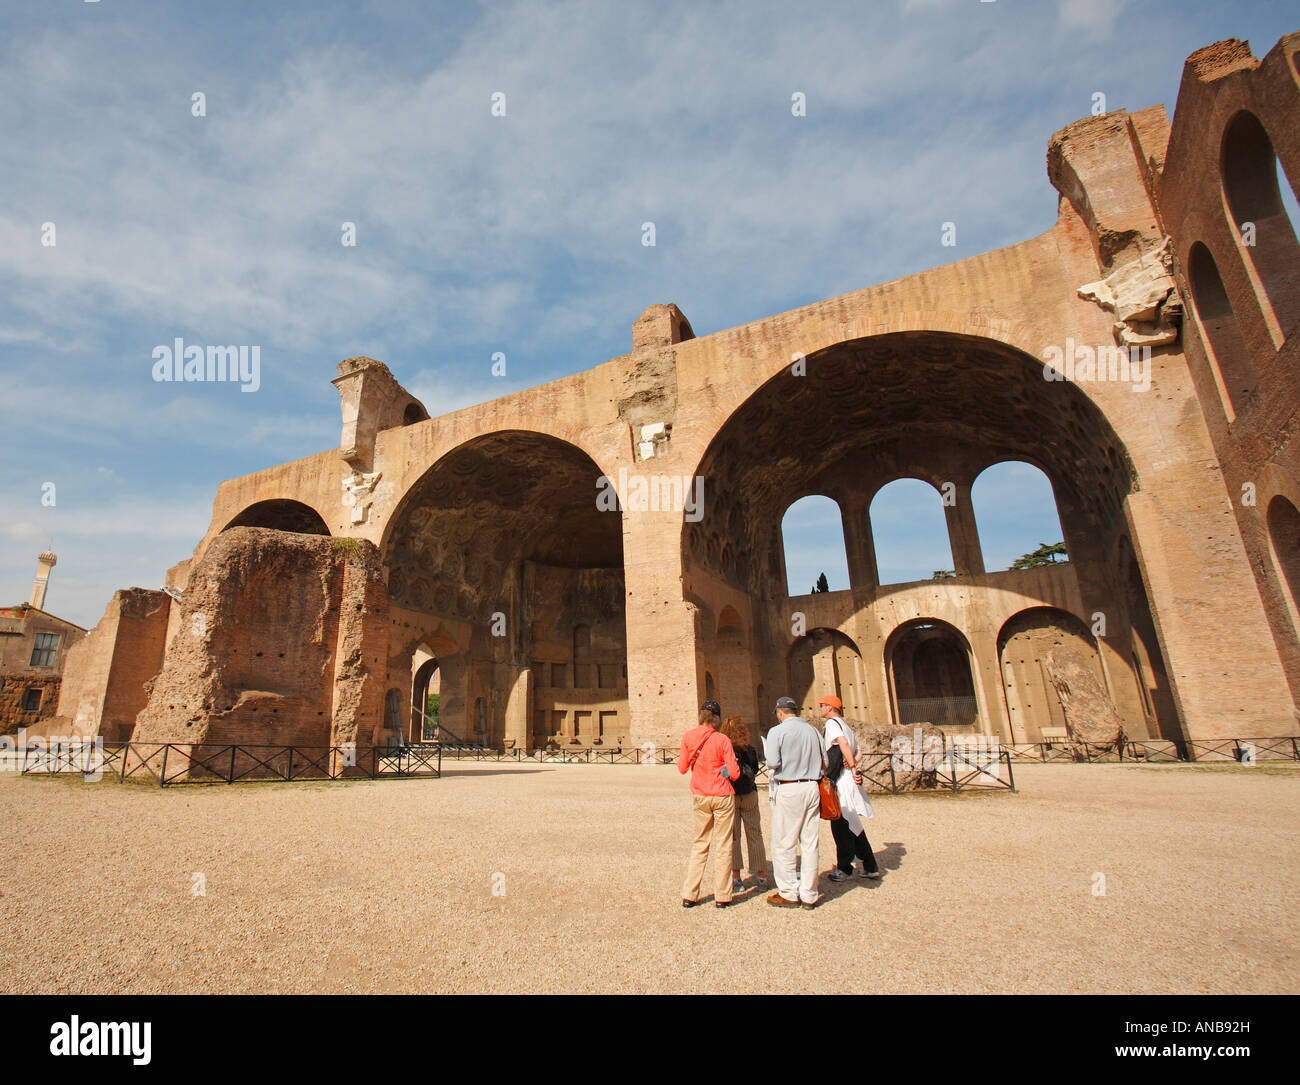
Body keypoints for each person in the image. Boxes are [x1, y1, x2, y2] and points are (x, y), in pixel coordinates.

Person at [679, 700, 741, 909]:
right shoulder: (722, 739)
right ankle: (722, 897)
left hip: (700, 795)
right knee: (724, 846)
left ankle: (690, 895)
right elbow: (735, 773)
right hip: (722, 796)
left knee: (699, 844)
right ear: (716, 718)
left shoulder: (689, 736)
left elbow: (681, 768)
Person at [764, 696, 825, 909]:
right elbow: (824, 760)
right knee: (810, 842)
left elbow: (772, 762)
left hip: (790, 788)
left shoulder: (777, 732)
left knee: (784, 842)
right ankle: (809, 893)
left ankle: (789, 892)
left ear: (780, 712)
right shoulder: (814, 731)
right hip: (812, 787)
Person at [818, 695, 881, 881]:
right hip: (847, 779)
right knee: (852, 823)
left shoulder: (832, 724)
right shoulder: (845, 725)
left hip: (841, 781)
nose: (820, 708)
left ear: (830, 708)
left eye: (822, 705)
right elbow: (858, 751)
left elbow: (843, 744)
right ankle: (870, 866)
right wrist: (852, 762)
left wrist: (852, 767)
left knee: (840, 824)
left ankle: (844, 869)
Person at [719, 716, 768, 893]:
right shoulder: (750, 750)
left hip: (730, 795)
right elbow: (755, 770)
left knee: (733, 837)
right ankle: (761, 876)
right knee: (755, 834)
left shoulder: (725, 750)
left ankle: (736, 878)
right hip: (749, 794)